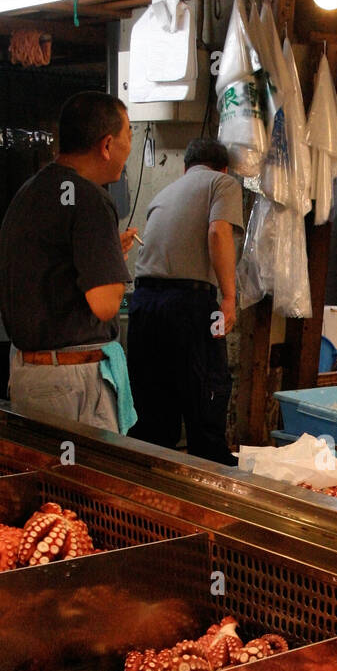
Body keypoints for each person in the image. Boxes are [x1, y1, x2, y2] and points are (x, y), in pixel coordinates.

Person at [0, 91, 137, 432]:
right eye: (129, 136)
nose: (129, 149)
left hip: (30, 375)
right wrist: (112, 268)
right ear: (106, 145)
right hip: (71, 385)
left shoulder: (30, 191)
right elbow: (105, 304)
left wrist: (105, 254)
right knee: (83, 484)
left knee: (42, 484)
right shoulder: (90, 199)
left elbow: (53, 271)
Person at [126, 138, 243, 465]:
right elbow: (218, 233)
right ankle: (211, 495)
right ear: (223, 167)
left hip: (144, 304)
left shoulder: (163, 194)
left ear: (185, 167)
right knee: (207, 396)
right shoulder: (223, 183)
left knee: (154, 413)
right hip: (189, 304)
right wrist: (229, 298)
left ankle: (151, 496)